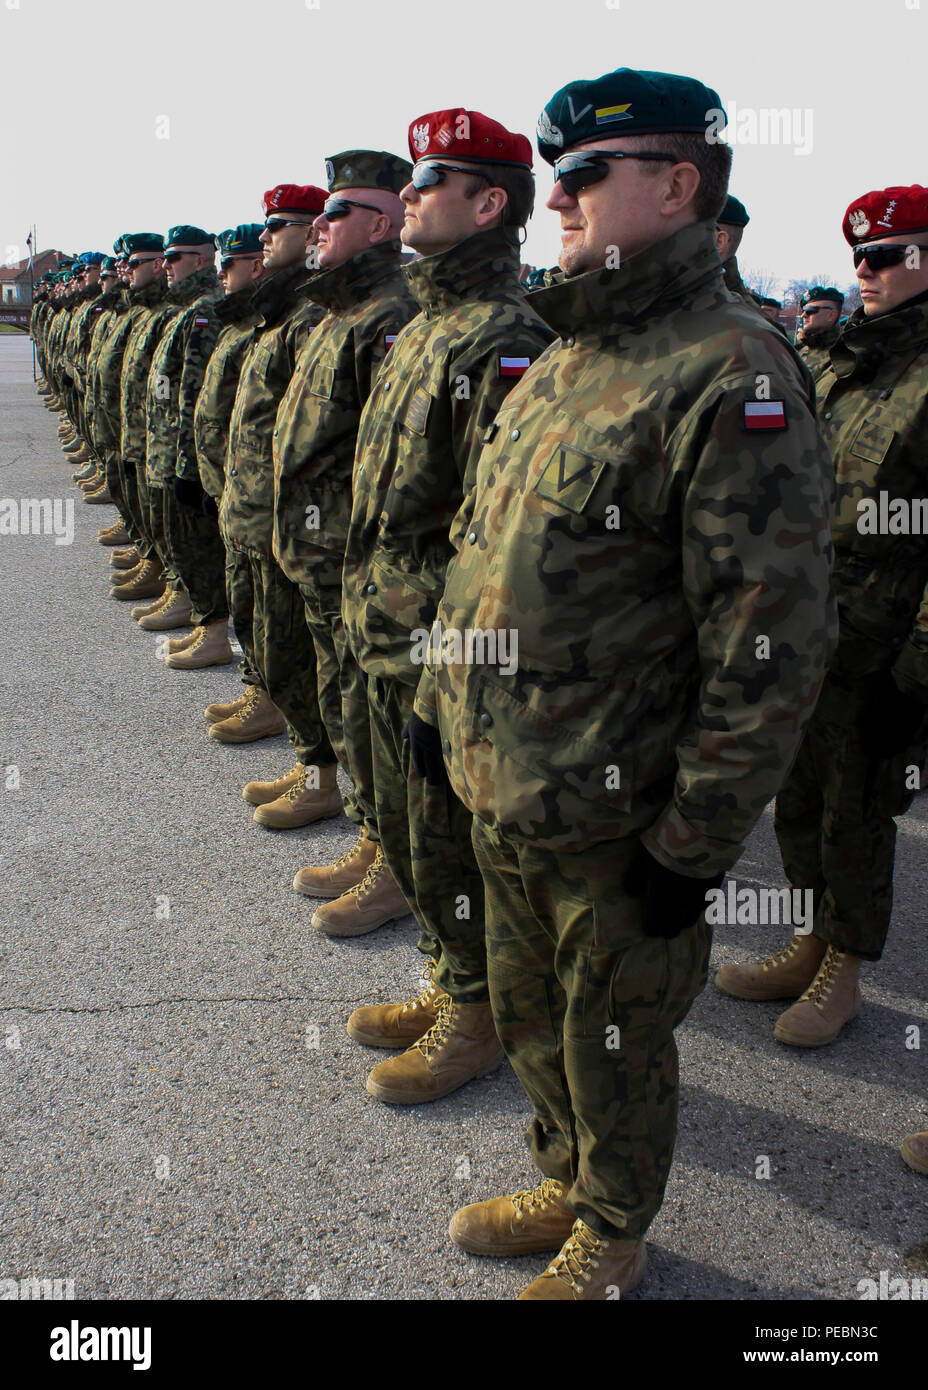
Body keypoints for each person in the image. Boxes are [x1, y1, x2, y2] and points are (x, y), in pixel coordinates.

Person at [413, 67, 837, 1298]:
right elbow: (482, 552)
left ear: (679, 183)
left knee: (611, 1033)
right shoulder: (567, 350)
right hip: (507, 771)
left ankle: (612, 1223)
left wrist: (692, 843)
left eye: (585, 176)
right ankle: (562, 1171)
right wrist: (448, 707)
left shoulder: (734, 370)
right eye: (556, 178)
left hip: (616, 806)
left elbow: (768, 642)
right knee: (531, 1008)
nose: (559, 199)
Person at [342, 109, 556, 1104]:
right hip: (384, 630)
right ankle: (449, 979)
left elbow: (490, 534)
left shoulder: (506, 339)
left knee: (446, 838)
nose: (412, 195)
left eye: (432, 180)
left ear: (487, 203)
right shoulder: (429, 324)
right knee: (406, 829)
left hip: (435, 649)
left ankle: (476, 1012)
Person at [717, 184, 928, 1048]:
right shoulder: (845, 360)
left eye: (889, 257)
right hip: (809, 638)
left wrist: (912, 675)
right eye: (860, 259)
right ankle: (809, 937)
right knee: (799, 801)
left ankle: (845, 963)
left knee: (855, 813)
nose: (867, 273)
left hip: (883, 653)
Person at [272, 149, 416, 925]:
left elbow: (391, 459)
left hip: (354, 566)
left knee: (372, 718)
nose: (318, 227)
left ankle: (395, 863)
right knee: (345, 706)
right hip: (319, 556)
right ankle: (372, 838)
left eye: (336, 213)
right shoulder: (342, 311)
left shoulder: (391, 315)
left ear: (383, 222)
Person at [214, 184, 336, 841]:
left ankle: (323, 780)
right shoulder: (277, 320)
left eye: (278, 226)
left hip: (293, 530)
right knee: (274, 646)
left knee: (300, 655)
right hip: (256, 515)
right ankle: (309, 762)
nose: (264, 237)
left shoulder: (311, 319)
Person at [139, 224, 230, 661]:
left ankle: (214, 633)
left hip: (184, 455)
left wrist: (189, 462)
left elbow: (195, 394)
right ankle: (203, 621)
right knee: (180, 540)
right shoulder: (184, 309)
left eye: (174, 258)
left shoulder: (204, 311)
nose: (165, 266)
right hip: (167, 449)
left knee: (197, 543)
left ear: (199, 260)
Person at [187, 224, 269, 679]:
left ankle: (270, 696)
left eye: (228, 264)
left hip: (263, 501)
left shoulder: (270, 326)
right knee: (247, 597)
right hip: (233, 485)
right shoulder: (239, 324)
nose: (221, 274)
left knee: (270, 613)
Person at [795, 285, 844, 380]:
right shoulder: (801, 350)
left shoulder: (841, 358)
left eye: (809, 311)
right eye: (803, 311)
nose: (803, 315)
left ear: (831, 315)